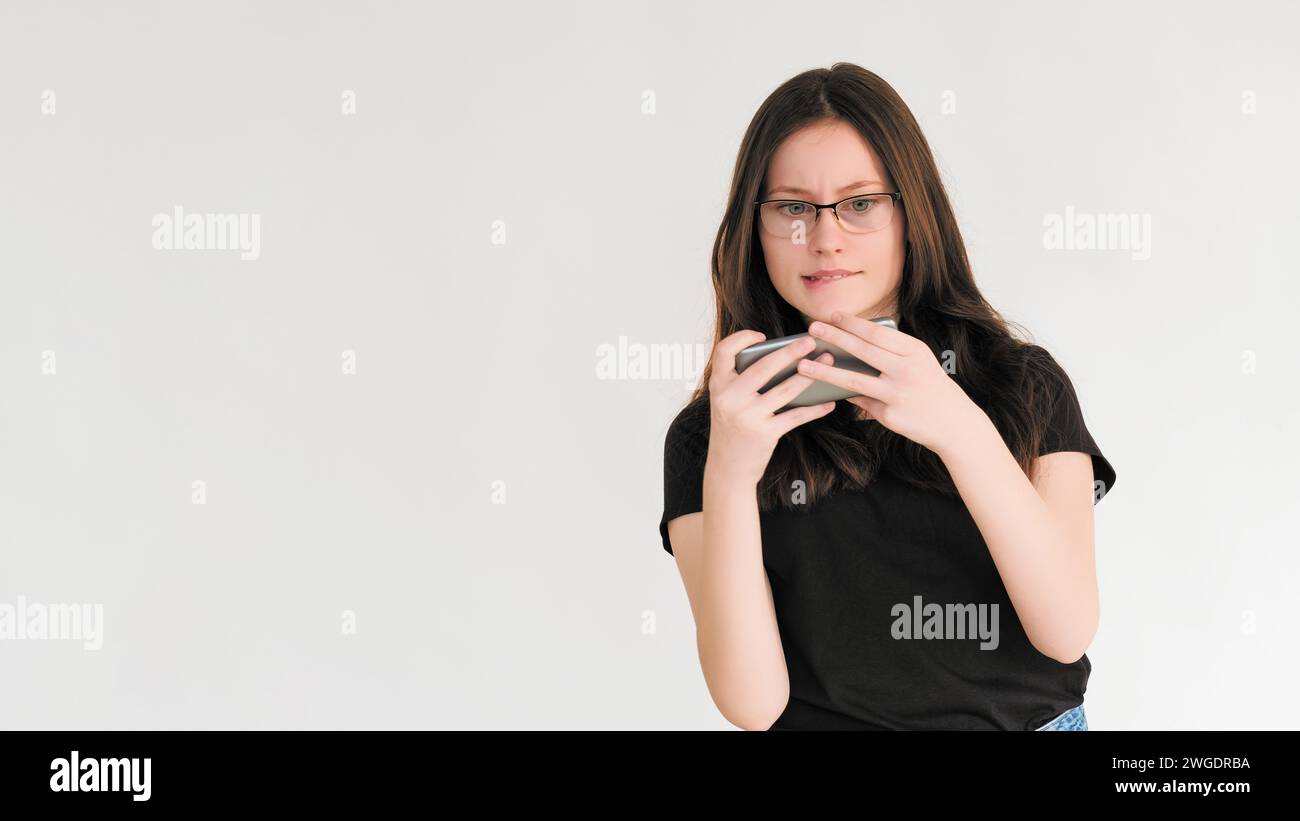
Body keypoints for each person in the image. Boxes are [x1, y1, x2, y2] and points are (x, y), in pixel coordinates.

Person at [658, 63, 1116, 731]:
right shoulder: (710, 433)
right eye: (791, 207)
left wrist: (959, 429)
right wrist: (730, 472)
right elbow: (751, 705)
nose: (824, 237)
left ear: (911, 214)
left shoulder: (1025, 386)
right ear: (753, 229)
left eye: (860, 203)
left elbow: (1066, 630)